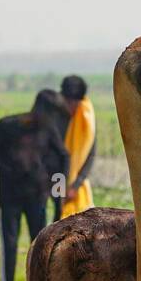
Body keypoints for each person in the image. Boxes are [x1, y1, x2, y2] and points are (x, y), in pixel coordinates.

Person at [0, 89, 69, 281]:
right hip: (9, 198)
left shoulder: (48, 131)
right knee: (9, 247)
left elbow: (62, 158)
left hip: (37, 198)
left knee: (39, 247)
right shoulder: (7, 126)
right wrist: (11, 169)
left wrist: (58, 197)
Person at [58, 75, 96, 218]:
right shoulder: (56, 119)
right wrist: (60, 191)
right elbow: (55, 158)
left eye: (75, 102)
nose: (71, 107)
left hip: (78, 186)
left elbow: (90, 155)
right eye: (68, 102)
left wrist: (75, 187)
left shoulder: (87, 120)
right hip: (58, 182)